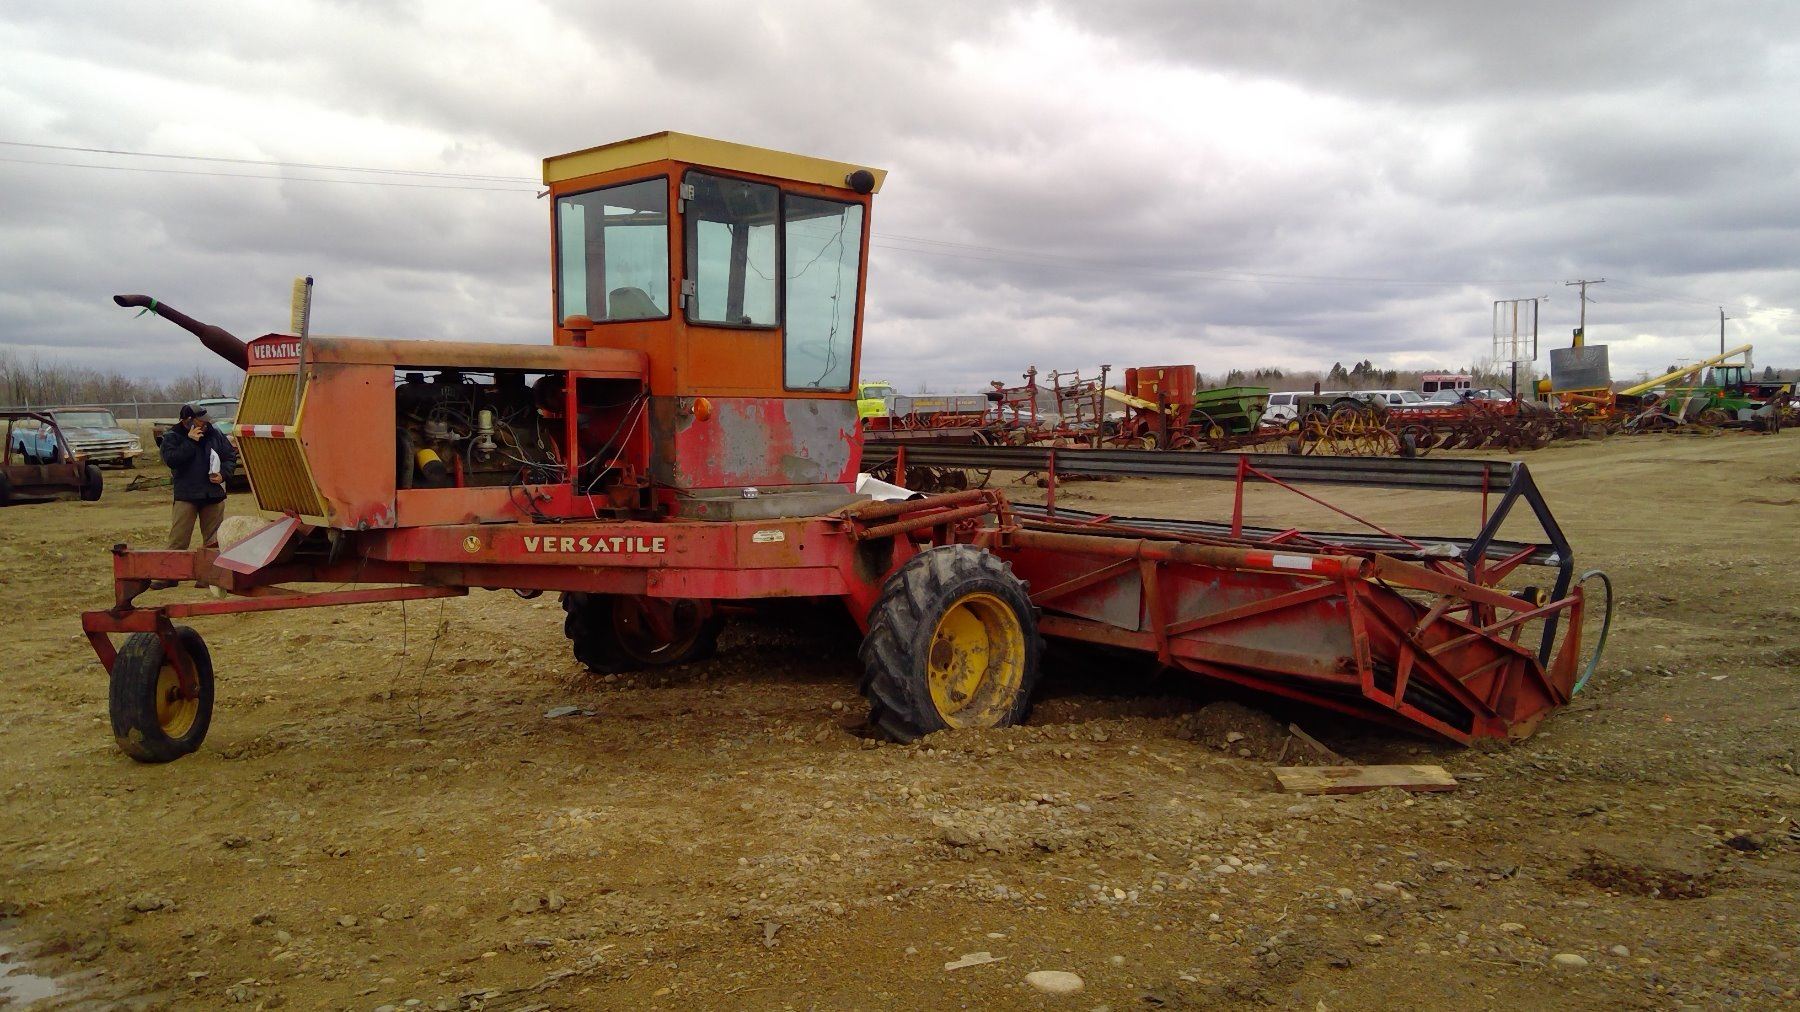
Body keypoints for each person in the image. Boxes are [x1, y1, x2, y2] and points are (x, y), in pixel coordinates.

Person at [153, 403, 238, 588]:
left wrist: (223, 474)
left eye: (206, 422)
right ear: (187, 421)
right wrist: (190, 442)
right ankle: (169, 576)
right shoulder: (172, 437)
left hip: (212, 494)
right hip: (187, 494)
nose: (205, 425)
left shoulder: (214, 434)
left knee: (213, 540)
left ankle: (209, 577)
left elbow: (230, 456)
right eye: (201, 422)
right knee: (178, 538)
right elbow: (172, 460)